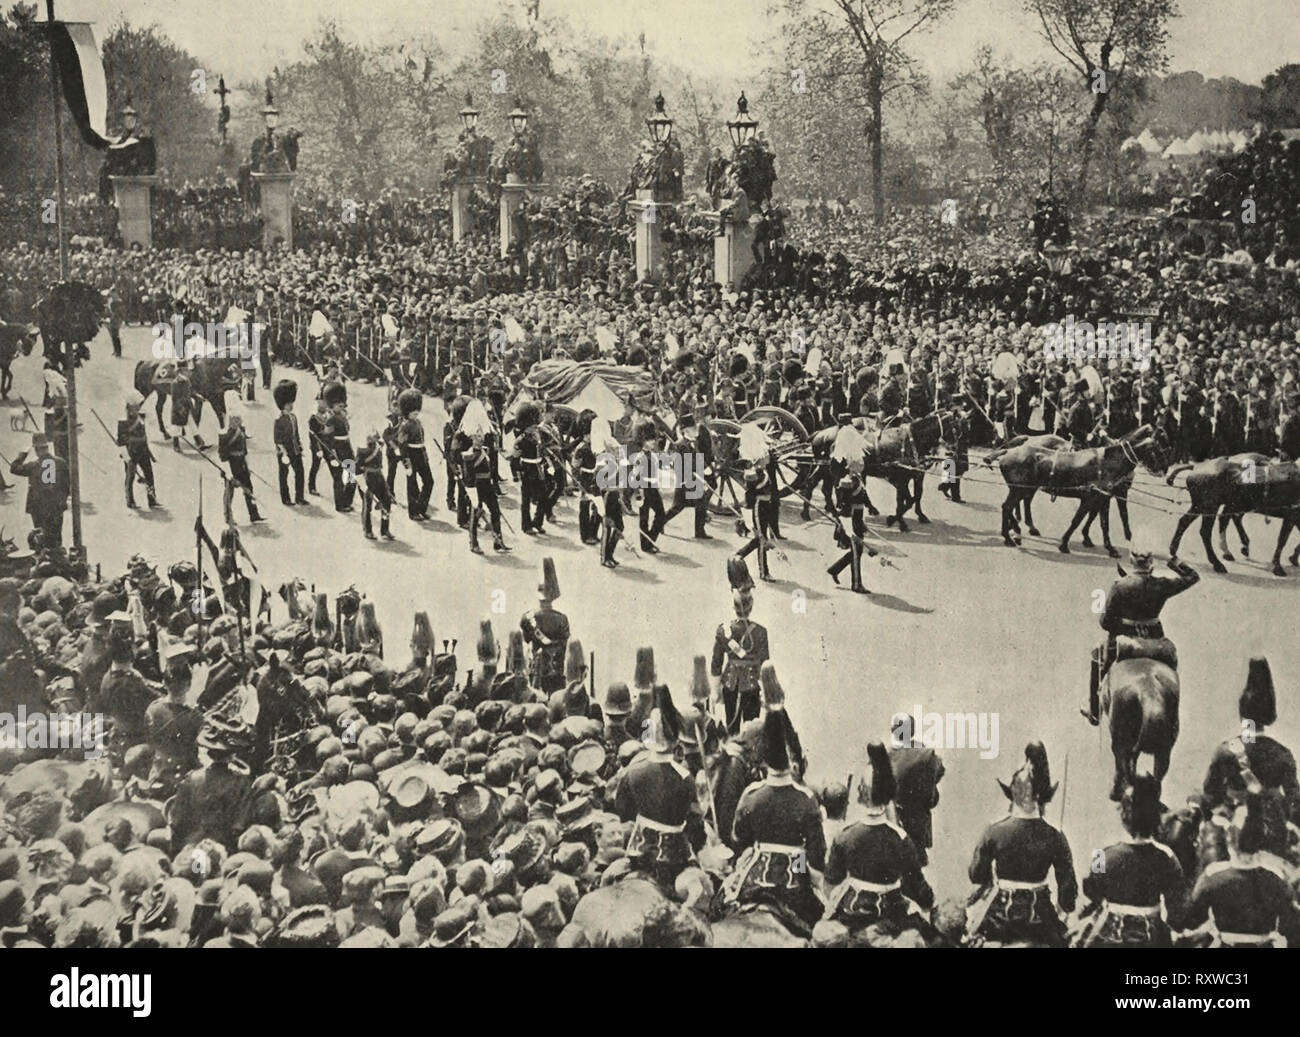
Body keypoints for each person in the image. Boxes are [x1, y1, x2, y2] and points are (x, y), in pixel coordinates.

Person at [724, 709, 826, 933]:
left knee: (722, 902)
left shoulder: (751, 794)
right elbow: (816, 854)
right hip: (795, 871)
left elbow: (739, 838)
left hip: (756, 872)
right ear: (790, 762)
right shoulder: (807, 799)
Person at [965, 742, 1076, 947]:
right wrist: (1065, 910)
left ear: (1012, 795)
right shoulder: (1055, 835)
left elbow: (976, 874)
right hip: (1040, 919)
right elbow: (1068, 890)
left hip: (999, 918)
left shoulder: (994, 831)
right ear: (1040, 797)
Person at [1085, 534, 1199, 725]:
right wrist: (1171, 560)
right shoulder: (1162, 584)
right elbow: (1193, 576)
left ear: (1131, 560)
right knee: (1172, 663)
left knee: (1096, 657)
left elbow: (1105, 623)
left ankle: (1094, 711)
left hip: (1125, 641)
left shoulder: (1120, 586)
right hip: (1155, 641)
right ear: (1151, 561)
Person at [824, 743, 934, 935]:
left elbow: (830, 884)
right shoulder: (902, 839)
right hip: (892, 914)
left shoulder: (845, 835)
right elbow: (918, 887)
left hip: (852, 912)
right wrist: (928, 900)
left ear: (861, 793)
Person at [1201, 657, 1298, 858]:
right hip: (1272, 828)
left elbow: (1210, 795)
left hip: (1234, 828)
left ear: (1242, 714)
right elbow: (1295, 800)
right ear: (1269, 715)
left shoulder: (1226, 751)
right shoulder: (1283, 754)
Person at [1074, 776, 1186, 947]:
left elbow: (1091, 893)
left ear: (1124, 814)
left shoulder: (1101, 852)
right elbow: (1176, 913)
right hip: (1152, 938)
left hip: (1110, 937)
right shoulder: (1168, 857)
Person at [613, 684, 705, 888]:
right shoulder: (685, 777)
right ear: (674, 740)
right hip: (675, 856)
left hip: (639, 851)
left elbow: (623, 811)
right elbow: (695, 824)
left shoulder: (633, 770)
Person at [1181, 794, 1300, 947]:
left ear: (1229, 840)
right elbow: (1292, 925)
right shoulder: (1276, 879)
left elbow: (1191, 919)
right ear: (1260, 842)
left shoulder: (1213, 877)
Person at [169, 718, 253, 855]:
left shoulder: (191, 779)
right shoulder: (241, 783)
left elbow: (177, 820)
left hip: (191, 847)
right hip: (221, 851)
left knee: (196, 870)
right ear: (233, 755)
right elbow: (240, 825)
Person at [710, 584, 769, 733]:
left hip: (731, 684)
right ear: (751, 607)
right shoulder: (761, 632)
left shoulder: (723, 630)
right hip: (752, 685)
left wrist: (715, 690)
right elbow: (765, 664)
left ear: (733, 607)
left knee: (732, 729)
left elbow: (716, 663)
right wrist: (767, 692)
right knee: (751, 730)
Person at [888, 713, 944, 867]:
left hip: (891, 821)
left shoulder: (886, 755)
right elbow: (939, 771)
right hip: (918, 823)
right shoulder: (926, 754)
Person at [827, 459, 878, 594]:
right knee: (856, 552)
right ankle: (856, 584)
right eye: (859, 464)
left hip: (858, 516)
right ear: (851, 467)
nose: (862, 465)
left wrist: (870, 507)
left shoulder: (857, 478)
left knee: (858, 551)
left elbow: (864, 496)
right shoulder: (847, 482)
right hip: (851, 518)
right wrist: (846, 524)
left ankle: (835, 569)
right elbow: (843, 504)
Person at [9, 432, 68, 549]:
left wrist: (22, 455)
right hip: (55, 508)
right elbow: (66, 487)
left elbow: (14, 468)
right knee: (55, 538)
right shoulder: (61, 463)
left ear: (36, 449)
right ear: (47, 447)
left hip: (38, 508)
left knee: (40, 537)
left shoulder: (33, 466)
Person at [520, 557, 569, 694]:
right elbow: (564, 643)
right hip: (555, 672)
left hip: (536, 671)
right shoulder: (562, 619)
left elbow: (526, 640)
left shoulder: (527, 617)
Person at [462, 432, 508, 554]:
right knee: (475, 515)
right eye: (476, 436)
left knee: (495, 511)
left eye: (480, 436)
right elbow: (468, 476)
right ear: (471, 438)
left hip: (488, 485)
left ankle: (498, 540)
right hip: (477, 486)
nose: (479, 439)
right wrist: (470, 492)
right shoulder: (469, 455)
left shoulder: (485, 450)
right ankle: (474, 543)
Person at [735, 455, 777, 581]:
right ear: (760, 459)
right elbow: (749, 495)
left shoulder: (762, 472)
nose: (768, 459)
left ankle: (739, 555)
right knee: (761, 539)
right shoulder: (754, 474)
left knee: (760, 539)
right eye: (766, 457)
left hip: (765, 507)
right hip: (759, 508)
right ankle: (764, 572)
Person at [217, 414, 264, 525]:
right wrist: (228, 473)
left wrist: (247, 466)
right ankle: (228, 518)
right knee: (229, 493)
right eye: (234, 419)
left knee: (249, 489)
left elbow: (244, 451)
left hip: (242, 465)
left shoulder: (241, 432)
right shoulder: (225, 436)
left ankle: (254, 515)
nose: (236, 421)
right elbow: (223, 456)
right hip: (232, 465)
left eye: (238, 419)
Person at [397, 388, 433, 520]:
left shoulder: (418, 422)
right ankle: (413, 512)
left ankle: (421, 508)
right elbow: (402, 445)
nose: (416, 412)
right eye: (413, 410)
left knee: (429, 481)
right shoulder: (404, 426)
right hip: (410, 455)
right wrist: (406, 462)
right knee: (412, 484)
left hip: (421, 453)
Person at [117, 400, 160, 509]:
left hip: (143, 451)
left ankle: (152, 500)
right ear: (128, 409)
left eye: (137, 408)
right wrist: (127, 458)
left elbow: (144, 438)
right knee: (130, 477)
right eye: (134, 408)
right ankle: (130, 501)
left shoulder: (141, 419)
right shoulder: (123, 423)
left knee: (149, 475)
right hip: (131, 452)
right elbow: (121, 443)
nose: (136, 410)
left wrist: (151, 455)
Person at [356, 431, 395, 541]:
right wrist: (363, 485)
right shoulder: (362, 450)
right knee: (367, 505)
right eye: (375, 439)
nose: (378, 442)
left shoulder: (379, 448)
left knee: (386, 501)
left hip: (378, 476)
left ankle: (385, 530)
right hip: (367, 477)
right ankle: (367, 530)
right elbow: (356, 469)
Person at [324, 383, 356, 513]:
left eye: (343, 406)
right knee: (338, 478)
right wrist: (332, 453)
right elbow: (327, 437)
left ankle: (347, 501)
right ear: (332, 405)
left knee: (351, 476)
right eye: (339, 406)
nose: (342, 408)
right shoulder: (330, 419)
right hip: (337, 448)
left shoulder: (342, 416)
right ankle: (339, 504)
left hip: (346, 446)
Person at [273, 379, 306, 506]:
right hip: (284, 451)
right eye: (288, 404)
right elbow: (277, 439)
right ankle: (285, 498)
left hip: (295, 449)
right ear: (283, 404)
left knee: (300, 473)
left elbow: (295, 434)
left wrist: (299, 445)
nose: (291, 405)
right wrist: (284, 453)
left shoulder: (293, 417)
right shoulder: (279, 420)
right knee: (284, 475)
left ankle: (299, 497)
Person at [306, 393, 331, 497]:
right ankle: (311, 487)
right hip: (318, 447)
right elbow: (313, 436)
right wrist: (318, 449)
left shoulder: (329, 416)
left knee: (333, 466)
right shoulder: (314, 418)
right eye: (321, 402)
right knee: (315, 466)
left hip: (327, 446)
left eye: (325, 403)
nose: (323, 405)